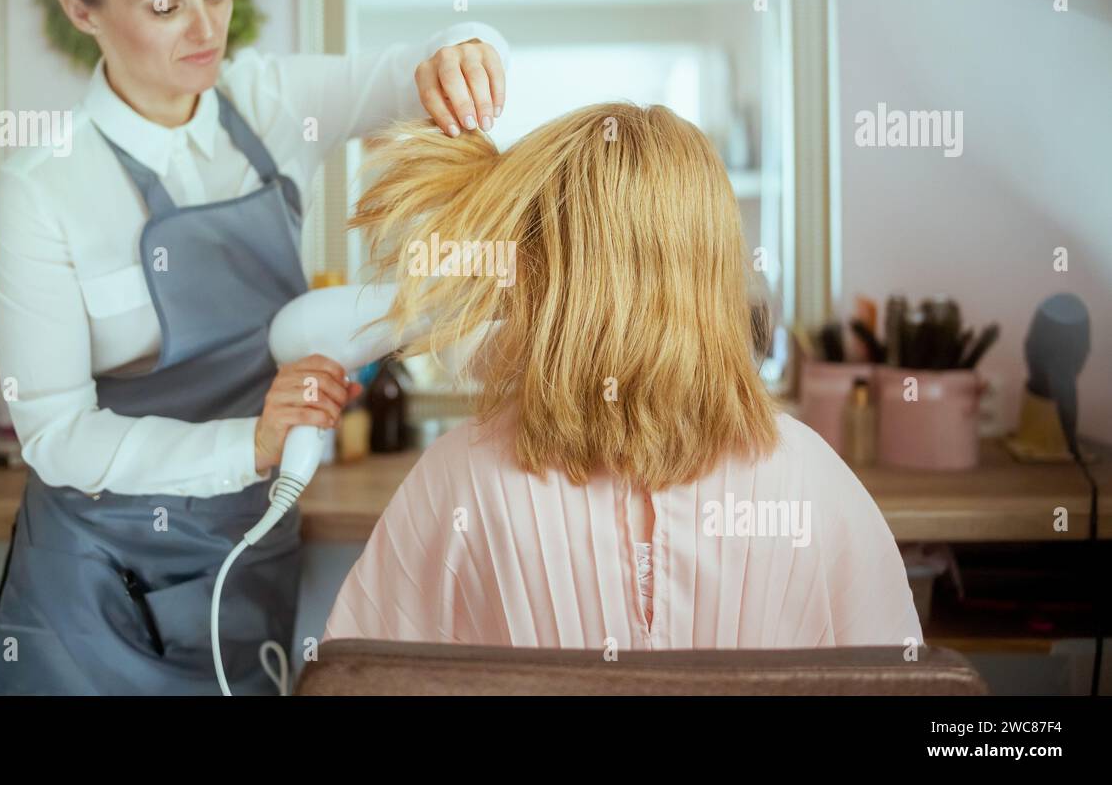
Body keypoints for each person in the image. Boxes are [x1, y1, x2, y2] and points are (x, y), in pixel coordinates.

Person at [0, 0, 508, 694]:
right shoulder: (44, 188)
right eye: (166, 5)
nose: (207, 30)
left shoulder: (266, 102)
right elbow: (56, 434)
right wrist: (249, 443)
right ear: (81, 9)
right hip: (94, 583)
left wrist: (469, 51)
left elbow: (417, 67)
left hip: (248, 550)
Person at [323, 103, 923, 650]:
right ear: (715, 271)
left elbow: (353, 681)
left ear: (545, 283)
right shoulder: (812, 481)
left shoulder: (462, 480)